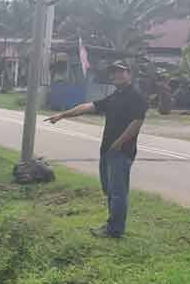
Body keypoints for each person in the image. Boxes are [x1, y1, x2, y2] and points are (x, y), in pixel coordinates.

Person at [46, 61, 148, 238]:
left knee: (118, 193)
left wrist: (118, 144)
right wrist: (62, 115)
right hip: (107, 150)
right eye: (114, 72)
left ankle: (115, 230)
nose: (117, 75)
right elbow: (88, 106)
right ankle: (112, 224)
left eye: (121, 72)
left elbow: (136, 123)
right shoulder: (115, 96)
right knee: (109, 190)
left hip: (121, 152)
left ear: (129, 74)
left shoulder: (136, 97)